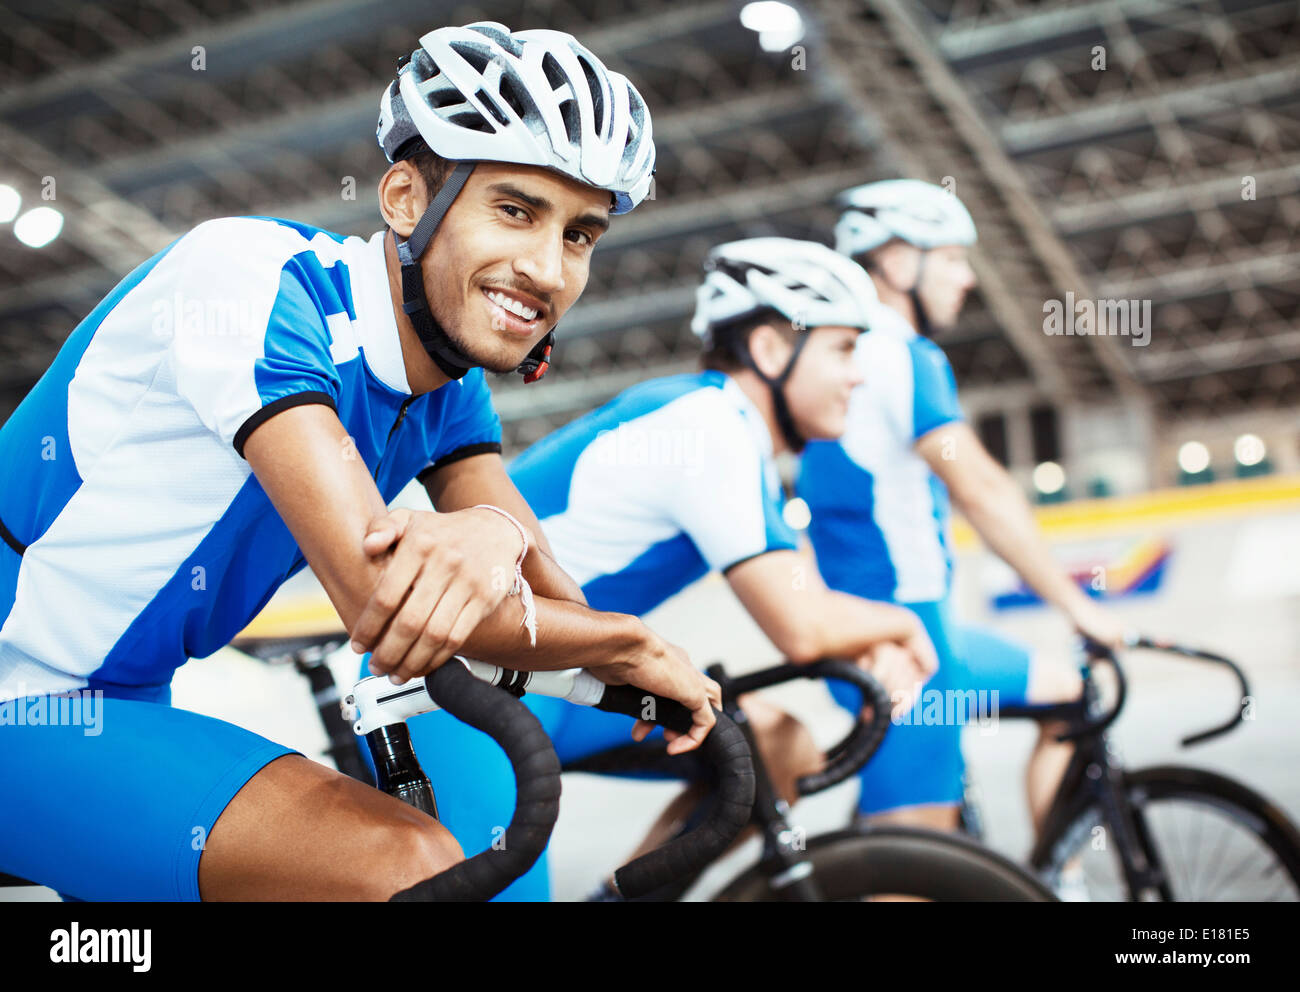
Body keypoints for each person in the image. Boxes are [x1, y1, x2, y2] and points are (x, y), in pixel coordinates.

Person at [0, 21, 719, 902]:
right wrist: (634, 642)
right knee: (404, 864)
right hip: (18, 694)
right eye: (516, 210)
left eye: (580, 235)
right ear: (406, 199)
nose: (547, 267)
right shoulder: (252, 281)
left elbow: (547, 595)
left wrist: (501, 539)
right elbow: (384, 600)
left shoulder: (448, 384)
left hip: (119, 700)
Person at [394, 237, 939, 900]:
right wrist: (905, 626)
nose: (859, 377)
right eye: (844, 349)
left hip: (552, 681)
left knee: (775, 747)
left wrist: (873, 632)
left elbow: (813, 603)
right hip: (460, 681)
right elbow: (803, 627)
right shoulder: (708, 427)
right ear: (771, 350)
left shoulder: (727, 428)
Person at [797, 179, 1124, 835]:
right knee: (918, 850)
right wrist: (1078, 606)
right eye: (950, 258)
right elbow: (982, 489)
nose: (967, 278)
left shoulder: (844, 355)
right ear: (896, 262)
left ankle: (1055, 875)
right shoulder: (898, 354)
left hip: (886, 631)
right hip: (907, 642)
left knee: (1066, 692)